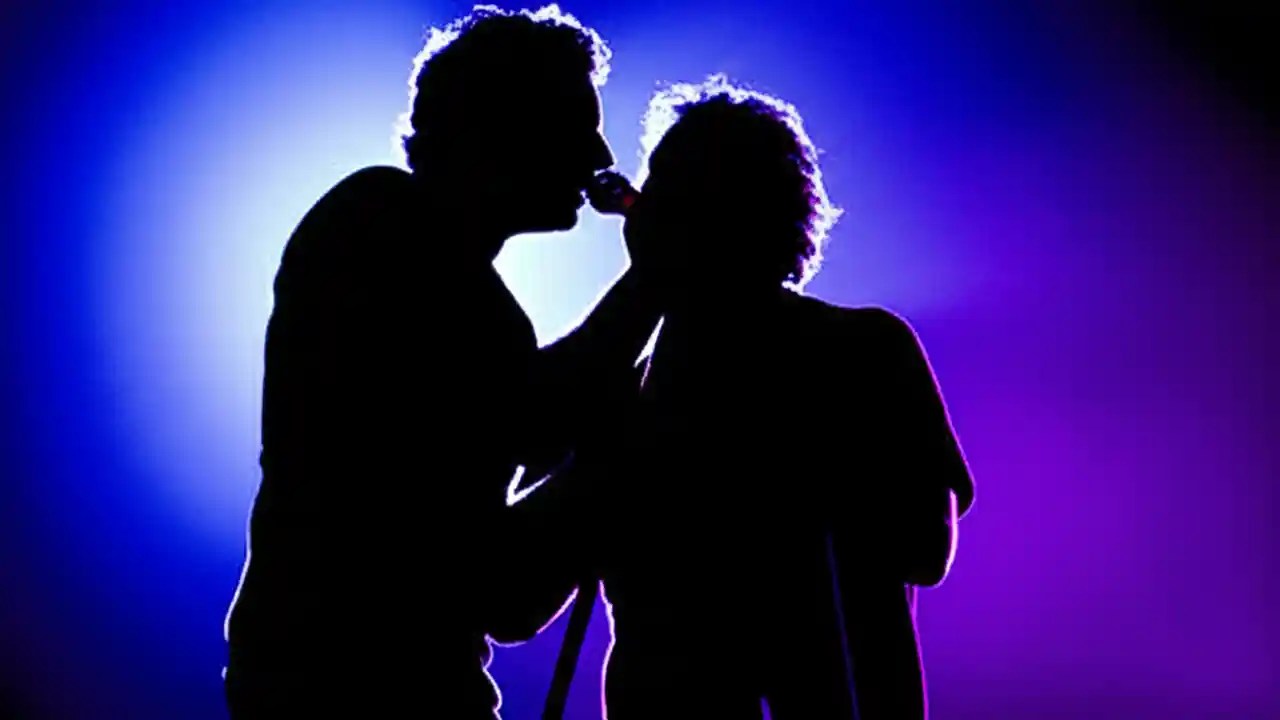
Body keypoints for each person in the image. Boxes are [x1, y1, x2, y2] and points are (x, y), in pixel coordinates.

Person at [222, 6, 659, 717]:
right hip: (347, 683)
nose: (599, 153)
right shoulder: (379, 221)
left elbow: (523, 459)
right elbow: (531, 420)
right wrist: (655, 281)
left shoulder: (459, 289)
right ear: (503, 126)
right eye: (577, 125)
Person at [571, 76, 976, 719]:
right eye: (659, 191)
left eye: (682, 192)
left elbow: (925, 546)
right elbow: (526, 585)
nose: (654, 212)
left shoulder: (862, 349)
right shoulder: (626, 386)